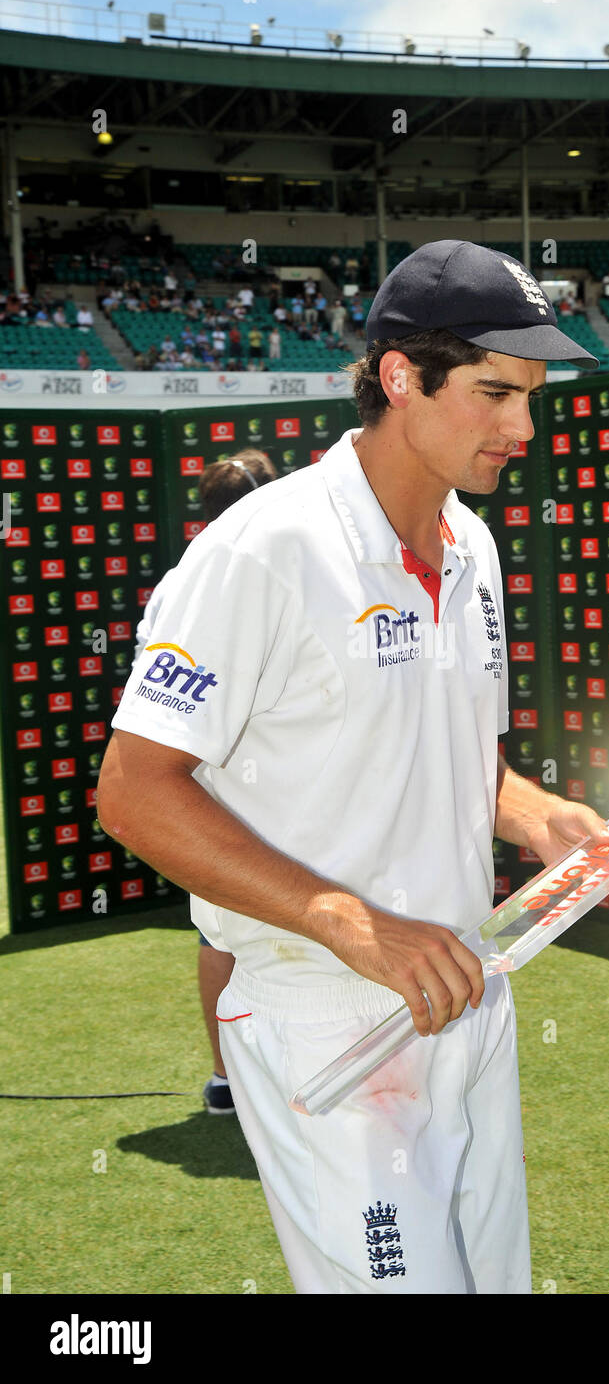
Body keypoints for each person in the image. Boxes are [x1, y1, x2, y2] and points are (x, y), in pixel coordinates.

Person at [96, 239, 609, 1296]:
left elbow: (451, 758)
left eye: (531, 397)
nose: (524, 428)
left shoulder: (474, 546)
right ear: (396, 377)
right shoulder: (262, 550)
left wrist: (533, 814)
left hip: (470, 990)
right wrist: (346, 917)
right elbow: (133, 791)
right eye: (493, 394)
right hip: (324, 1014)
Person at [128, 450, 278, 1113]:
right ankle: (239, 1079)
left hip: (208, 782)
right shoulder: (228, 575)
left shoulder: (177, 579)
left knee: (225, 930)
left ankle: (231, 1078)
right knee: (236, 930)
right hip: (236, 781)